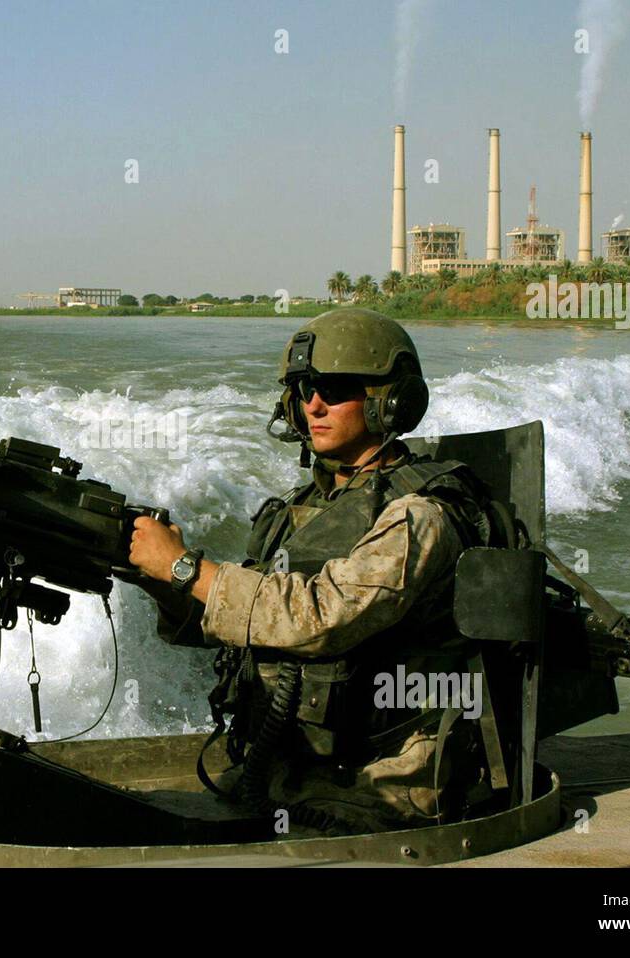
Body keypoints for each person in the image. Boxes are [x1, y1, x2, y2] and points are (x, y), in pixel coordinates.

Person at [127, 307, 500, 834]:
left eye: (334, 387)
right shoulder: (299, 508)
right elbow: (239, 626)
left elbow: (320, 617)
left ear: (391, 401)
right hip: (282, 771)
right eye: (302, 390)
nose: (314, 404)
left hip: (381, 789)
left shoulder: (419, 514)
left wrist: (186, 568)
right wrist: (159, 580)